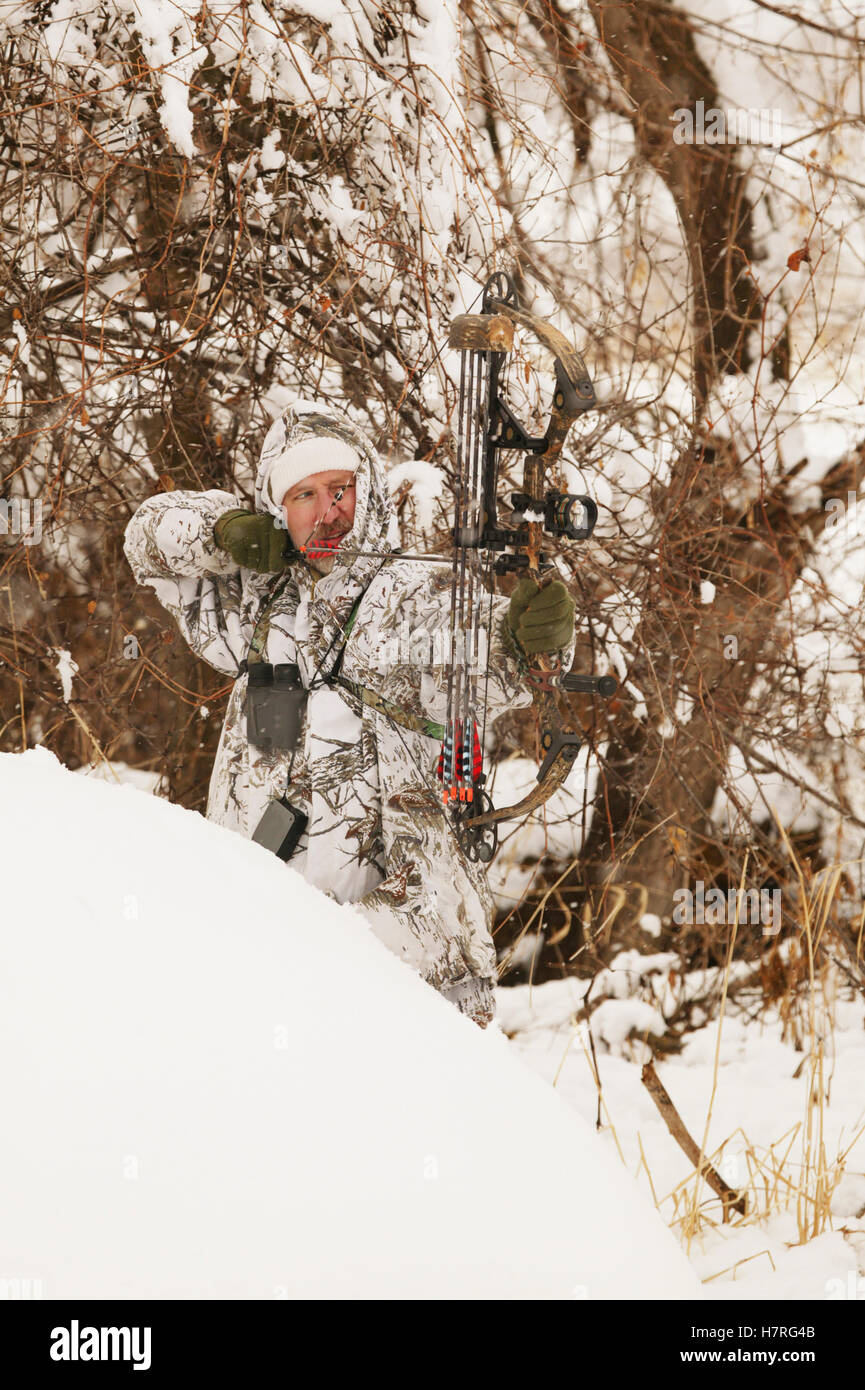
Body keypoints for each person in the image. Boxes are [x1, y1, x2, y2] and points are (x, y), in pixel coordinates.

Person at [124, 401, 576, 1027]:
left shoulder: (414, 600)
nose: (327, 513)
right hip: (261, 947)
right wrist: (223, 531)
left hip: (396, 961)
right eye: (303, 495)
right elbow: (146, 540)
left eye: (340, 489)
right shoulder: (255, 604)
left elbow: (494, 655)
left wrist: (534, 638)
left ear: (366, 488)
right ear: (278, 510)